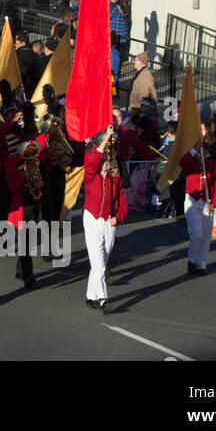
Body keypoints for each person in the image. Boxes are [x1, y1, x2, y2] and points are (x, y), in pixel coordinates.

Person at [82, 128, 126, 312]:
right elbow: (91, 160)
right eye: (105, 161)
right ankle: (102, 298)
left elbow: (122, 203)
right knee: (98, 263)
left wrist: (119, 217)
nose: (108, 163)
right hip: (92, 219)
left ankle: (91, 296)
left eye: (109, 161)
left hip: (109, 222)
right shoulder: (91, 176)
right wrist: (106, 137)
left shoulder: (115, 180)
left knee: (101, 262)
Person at [178, 132, 216, 275]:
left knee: (207, 235)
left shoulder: (213, 166)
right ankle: (192, 260)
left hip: (207, 203)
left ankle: (201, 263)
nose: (200, 152)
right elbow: (182, 162)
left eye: (203, 150)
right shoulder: (190, 163)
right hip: (192, 200)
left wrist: (213, 203)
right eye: (198, 150)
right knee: (197, 233)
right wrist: (193, 150)